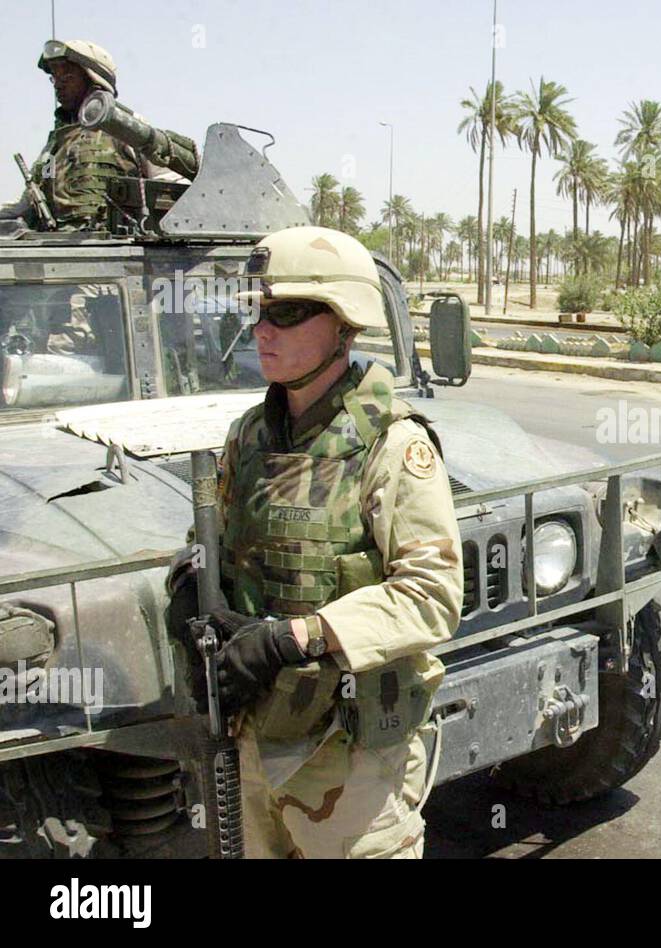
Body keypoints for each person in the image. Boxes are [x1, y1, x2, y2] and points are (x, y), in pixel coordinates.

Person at [172, 225, 463, 857]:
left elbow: (432, 596)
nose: (262, 331)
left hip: (350, 760)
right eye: (257, 312)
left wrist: (293, 638)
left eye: (287, 312)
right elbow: (217, 544)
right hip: (255, 736)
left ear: (345, 322)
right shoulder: (250, 435)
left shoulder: (392, 444)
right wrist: (188, 584)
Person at [0, 40, 192, 232]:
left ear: (93, 79)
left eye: (67, 77)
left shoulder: (126, 128)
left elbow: (172, 186)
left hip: (116, 249)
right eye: (54, 78)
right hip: (59, 246)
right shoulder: (54, 146)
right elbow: (25, 204)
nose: (58, 85)